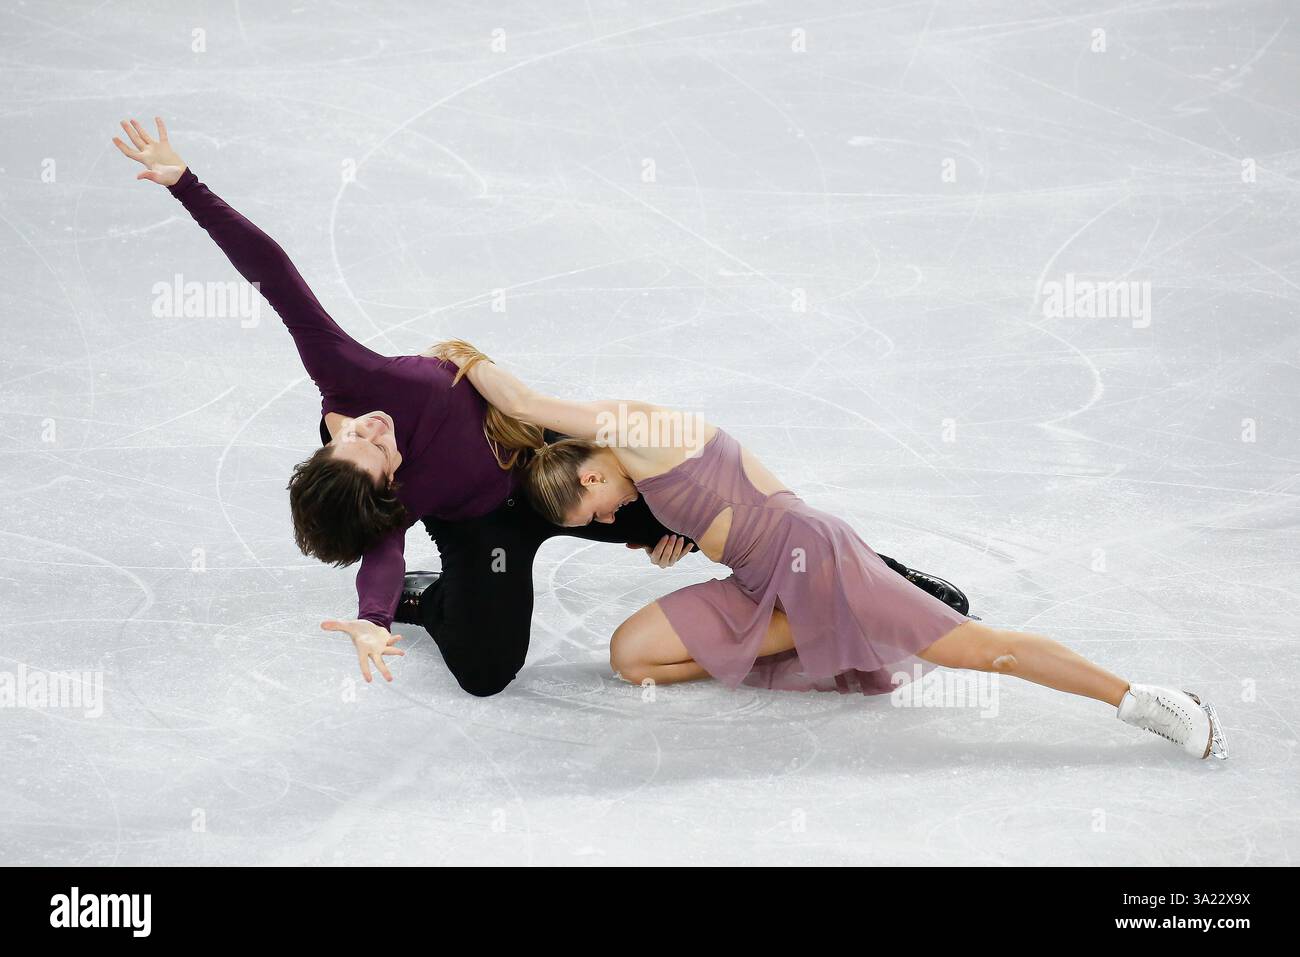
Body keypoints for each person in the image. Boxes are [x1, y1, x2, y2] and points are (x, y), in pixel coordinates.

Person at [112, 116, 973, 697]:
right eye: (376, 450)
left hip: (558, 470)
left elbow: (273, 273)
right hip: (484, 532)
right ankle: (435, 597)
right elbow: (375, 558)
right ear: (387, 491)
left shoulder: (348, 377)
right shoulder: (386, 509)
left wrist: (188, 185)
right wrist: (379, 617)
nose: (370, 430)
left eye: (352, 437)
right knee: (488, 671)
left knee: (698, 516)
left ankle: (880, 581)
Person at [431, 340, 1228, 760]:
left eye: (589, 503)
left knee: (984, 651)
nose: (602, 517)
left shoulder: (632, 429)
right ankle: (812, 630)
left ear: (595, 464)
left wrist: (465, 361)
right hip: (758, 580)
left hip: (816, 556)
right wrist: (688, 536)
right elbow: (712, 503)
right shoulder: (641, 468)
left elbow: (529, 402)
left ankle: (1144, 700)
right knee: (629, 655)